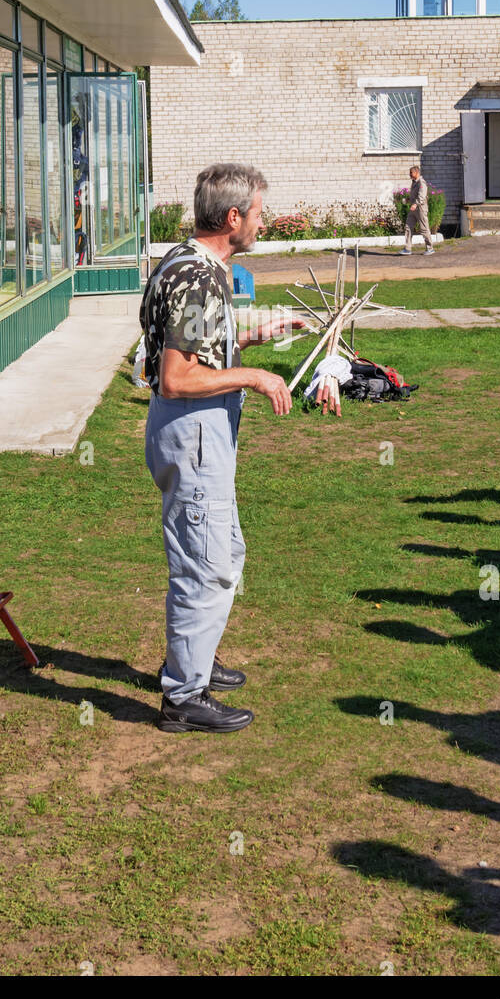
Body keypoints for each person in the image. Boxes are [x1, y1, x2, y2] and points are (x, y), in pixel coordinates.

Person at [140, 163, 309, 734]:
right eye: (258, 213)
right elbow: (177, 377)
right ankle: (184, 696)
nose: (263, 222)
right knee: (205, 566)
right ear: (233, 217)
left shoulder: (188, 263)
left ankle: (195, 655)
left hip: (193, 436)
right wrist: (256, 375)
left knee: (223, 552)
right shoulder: (200, 278)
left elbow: (197, 339)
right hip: (193, 435)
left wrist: (258, 332)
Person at [400, 165, 434, 256]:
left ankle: (430, 248)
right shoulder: (414, 182)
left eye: (411, 172)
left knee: (424, 229)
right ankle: (407, 249)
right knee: (408, 227)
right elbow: (415, 195)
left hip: (420, 208)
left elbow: (421, 197)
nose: (410, 174)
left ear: (417, 173)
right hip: (413, 208)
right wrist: (408, 200)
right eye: (410, 172)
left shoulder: (421, 183)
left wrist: (415, 204)